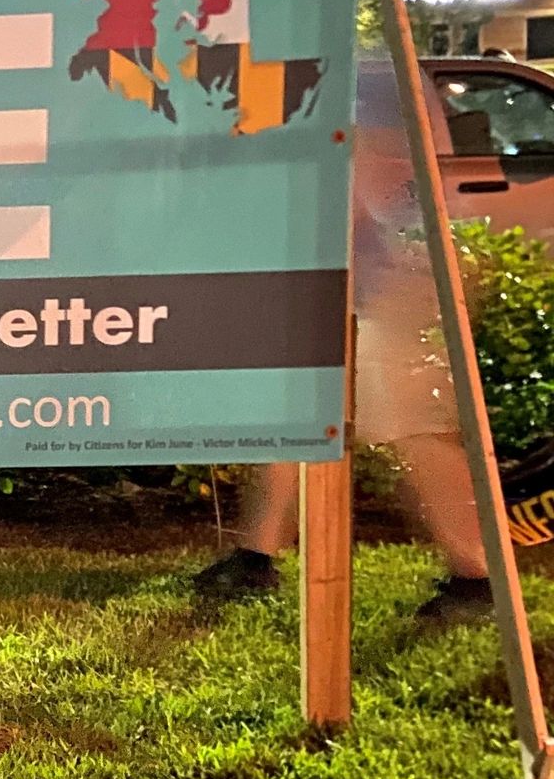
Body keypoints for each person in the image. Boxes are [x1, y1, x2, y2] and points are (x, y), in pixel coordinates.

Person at [195, 61, 489, 626]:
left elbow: (374, 174)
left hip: (386, 275)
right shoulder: (355, 71)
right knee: (304, 408)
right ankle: (256, 554)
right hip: (360, 272)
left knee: (411, 421)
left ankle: (476, 575)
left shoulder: (366, 76)